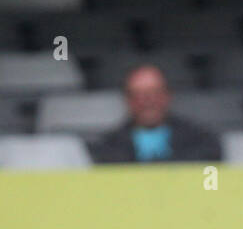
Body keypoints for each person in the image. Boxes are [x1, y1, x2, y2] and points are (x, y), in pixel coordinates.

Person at [91, 65, 221, 164]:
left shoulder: (200, 140)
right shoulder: (109, 146)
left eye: (154, 93)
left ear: (167, 96)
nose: (148, 102)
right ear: (128, 100)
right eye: (139, 94)